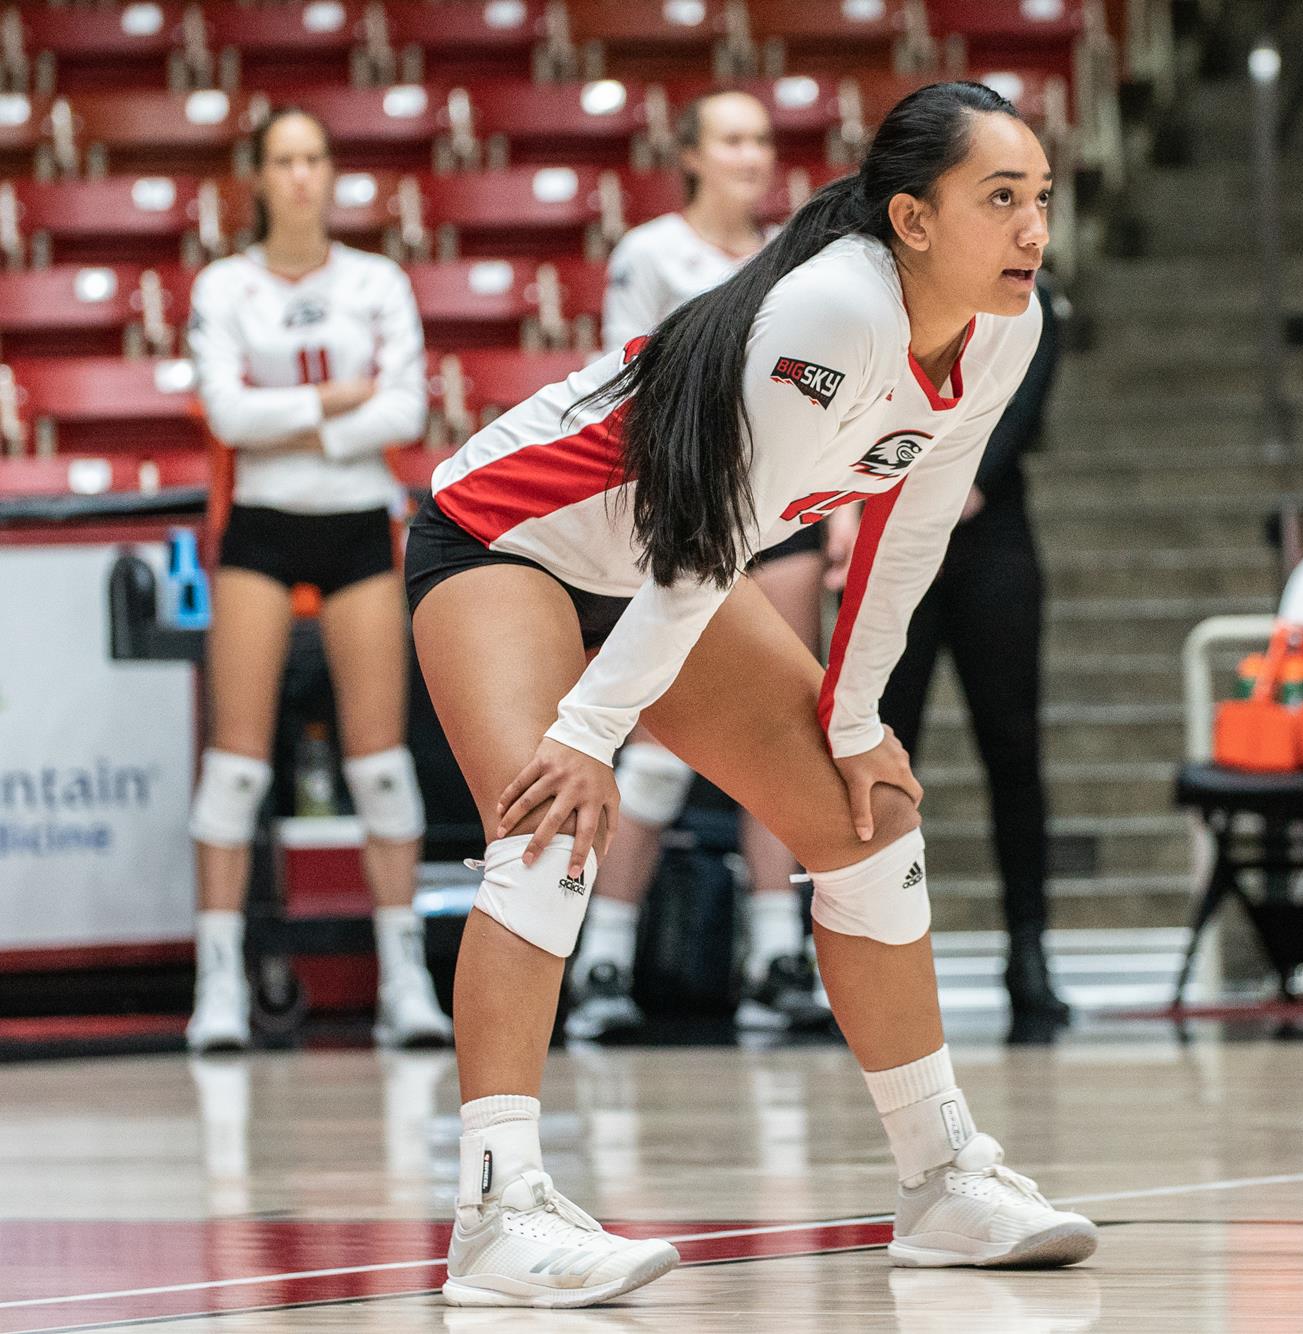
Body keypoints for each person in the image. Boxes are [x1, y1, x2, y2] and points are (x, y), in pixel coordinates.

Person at [406, 83, 1097, 1307]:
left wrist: (855, 717)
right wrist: (585, 735)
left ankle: (942, 1180)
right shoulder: (834, 308)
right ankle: (498, 1210)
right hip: (508, 534)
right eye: (1001, 199)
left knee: (866, 816)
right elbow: (704, 546)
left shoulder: (1004, 329)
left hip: (657, 567)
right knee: (550, 817)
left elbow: (907, 532)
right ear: (913, 217)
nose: (1033, 227)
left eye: (1040, 197)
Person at [571, 89, 842, 1040]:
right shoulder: (648, 255)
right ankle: (603, 956)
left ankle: (775, 956)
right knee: (657, 746)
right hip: (692, 510)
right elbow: (627, 386)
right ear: (689, 153)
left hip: (785, 511)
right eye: (730, 138)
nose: (751, 155)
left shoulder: (801, 258)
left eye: (762, 139)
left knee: (783, 734)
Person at [183, 108, 450, 1052]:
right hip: (260, 525)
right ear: (257, 176)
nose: (301, 175)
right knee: (235, 767)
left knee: (379, 767)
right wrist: (340, 403)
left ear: (331, 172)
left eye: (315, 157)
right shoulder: (226, 285)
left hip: (353, 525)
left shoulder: (375, 280)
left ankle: (404, 981)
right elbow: (223, 413)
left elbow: (409, 407)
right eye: (284, 160)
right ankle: (216, 987)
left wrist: (296, 419)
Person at [876, 274, 1069, 1025]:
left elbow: (1022, 409)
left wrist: (964, 484)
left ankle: (1030, 952)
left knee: (1013, 746)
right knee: (882, 748)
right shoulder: (885, 294)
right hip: (890, 530)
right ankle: (871, 955)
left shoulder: (1034, 301)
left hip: (988, 534)